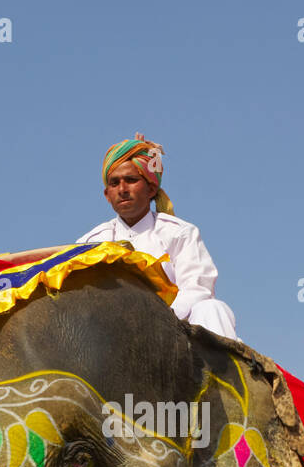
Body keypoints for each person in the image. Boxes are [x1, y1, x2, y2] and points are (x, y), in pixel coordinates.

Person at [77, 134, 239, 340]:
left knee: (213, 309)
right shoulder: (90, 243)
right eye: (115, 183)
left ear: (151, 189)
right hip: (111, 335)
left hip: (175, 330)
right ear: (107, 195)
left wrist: (158, 320)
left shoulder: (179, 233)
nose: (122, 189)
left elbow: (197, 288)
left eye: (131, 180)